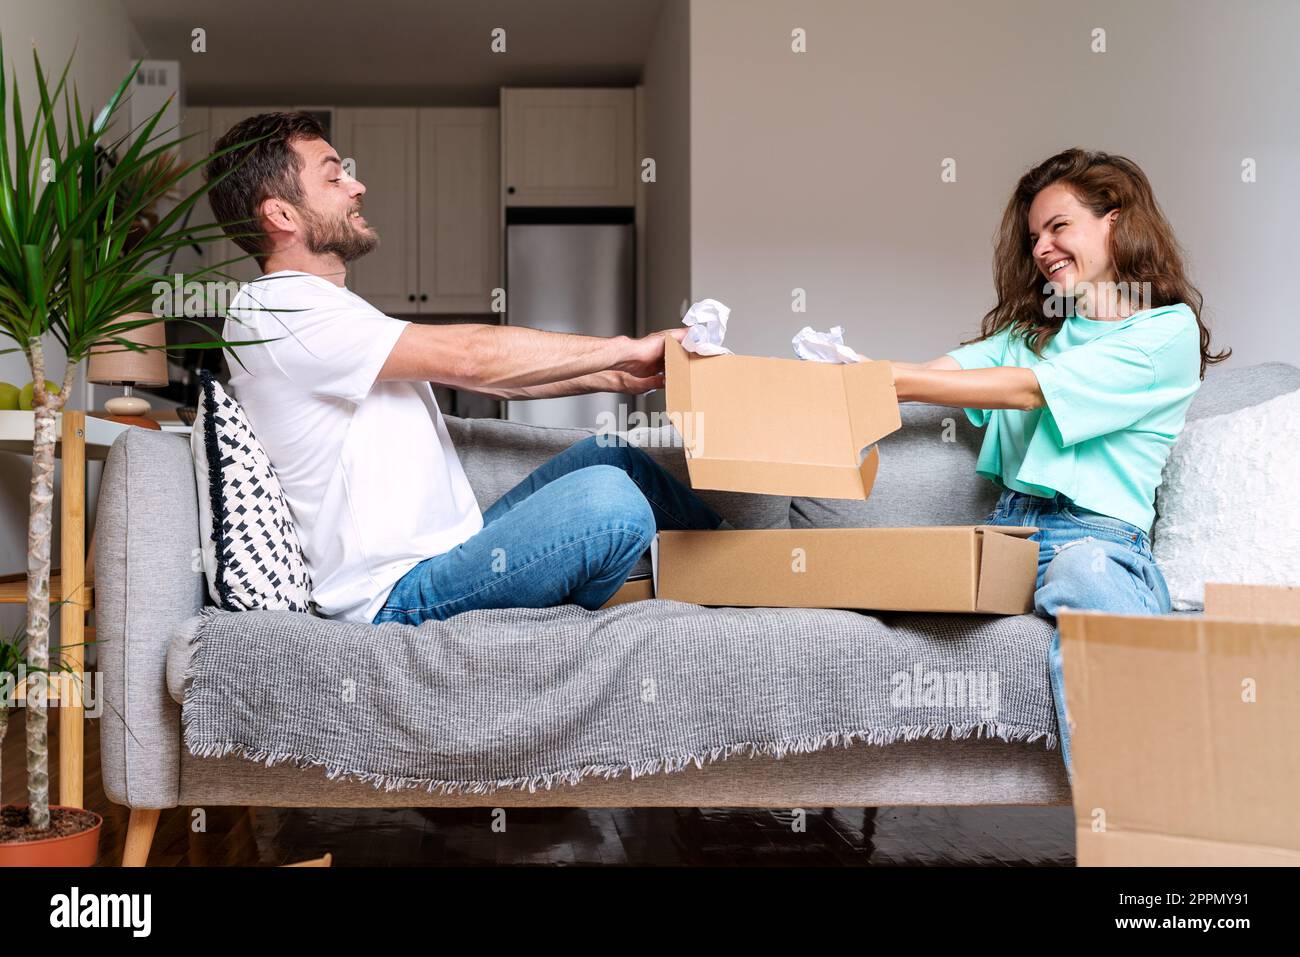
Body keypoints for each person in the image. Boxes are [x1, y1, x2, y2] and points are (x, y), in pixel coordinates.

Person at [204, 111, 725, 627]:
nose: (357, 185)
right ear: (282, 215)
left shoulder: (330, 308)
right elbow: (474, 359)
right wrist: (625, 349)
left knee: (613, 456)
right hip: (396, 595)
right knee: (608, 502)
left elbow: (490, 377)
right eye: (334, 175)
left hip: (458, 548)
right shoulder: (278, 313)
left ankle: (748, 575)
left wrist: (615, 377)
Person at [881, 148, 1229, 778]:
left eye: (1058, 226)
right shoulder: (1031, 335)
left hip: (1097, 542)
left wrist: (899, 382)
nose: (1041, 248)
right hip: (1011, 538)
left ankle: (1138, 831)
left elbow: (1031, 390)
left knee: (1085, 569)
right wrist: (846, 376)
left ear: (1115, 223)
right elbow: (929, 376)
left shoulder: (1164, 332)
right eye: (1033, 236)